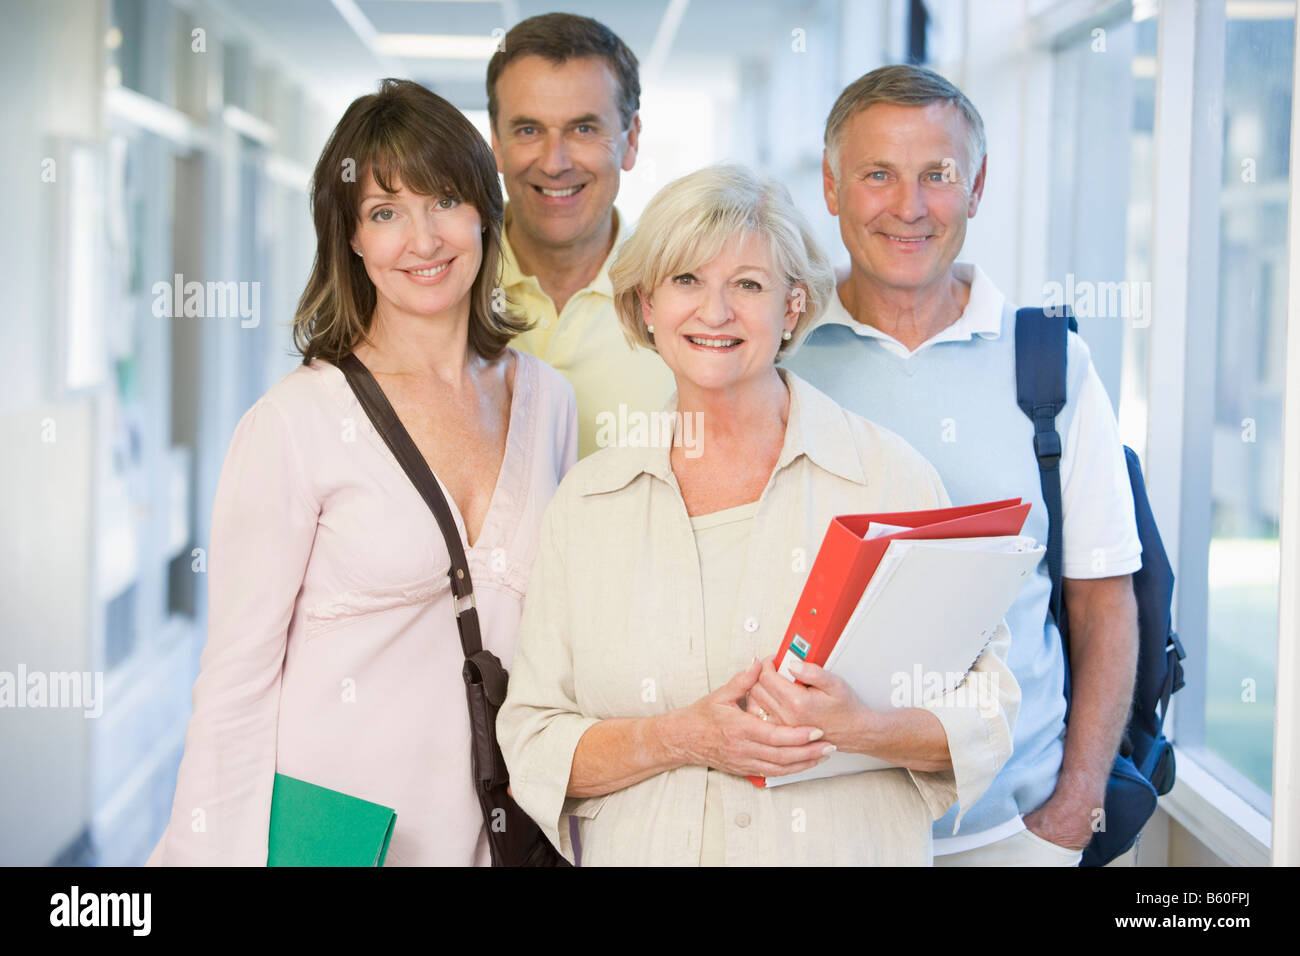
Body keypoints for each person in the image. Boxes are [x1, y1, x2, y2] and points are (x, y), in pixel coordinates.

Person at [496, 164, 1019, 866]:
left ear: (793, 307)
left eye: (747, 284)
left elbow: (988, 711)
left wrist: (864, 727)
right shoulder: (587, 505)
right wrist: (681, 736)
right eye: (685, 281)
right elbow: (533, 741)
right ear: (646, 304)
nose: (715, 312)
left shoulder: (890, 480)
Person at [146, 79, 577, 866]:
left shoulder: (548, 402)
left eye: (444, 200)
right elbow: (235, 689)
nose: (423, 240)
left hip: (505, 833)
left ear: (485, 208)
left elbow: (568, 643)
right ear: (349, 238)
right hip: (342, 841)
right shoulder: (293, 424)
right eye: (385, 213)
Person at [781, 64, 1142, 866]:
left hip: (1013, 833)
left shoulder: (1049, 363)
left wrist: (1074, 811)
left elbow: (1102, 599)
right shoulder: (780, 352)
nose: (909, 207)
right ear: (834, 189)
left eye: (937, 175)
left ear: (976, 187)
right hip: (819, 831)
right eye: (878, 174)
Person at [486, 12, 675, 459]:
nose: (554, 163)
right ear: (495, 141)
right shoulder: (438, 289)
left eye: (584, 129)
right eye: (528, 129)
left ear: (630, 141)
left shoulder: (690, 309)